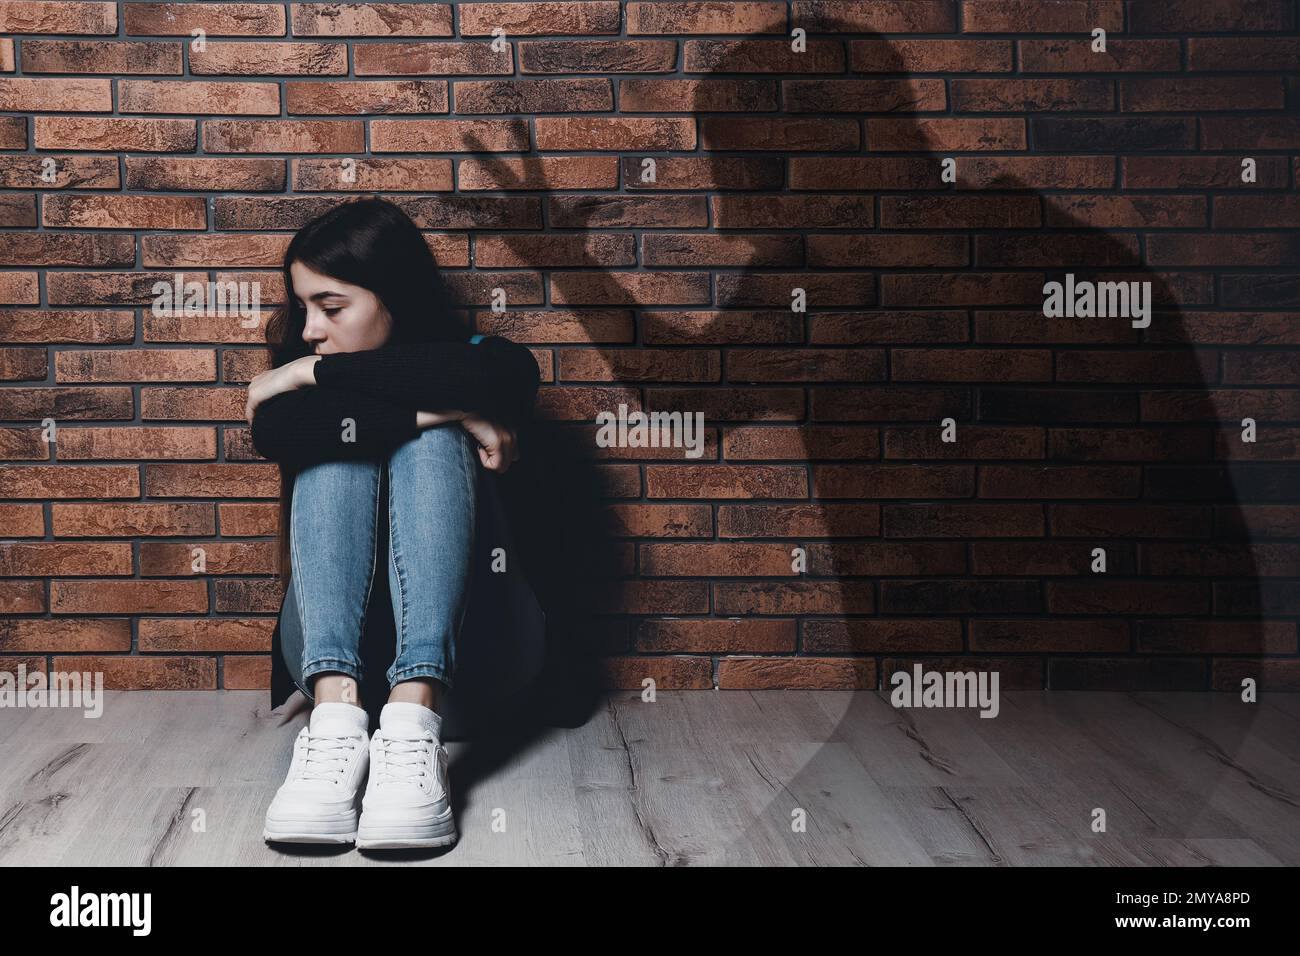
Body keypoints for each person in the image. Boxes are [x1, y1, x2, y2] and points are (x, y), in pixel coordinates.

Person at [247, 197, 540, 849]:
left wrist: (314, 373)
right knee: (337, 435)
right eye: (303, 311)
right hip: (328, 675)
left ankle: (413, 721)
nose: (312, 331)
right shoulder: (308, 387)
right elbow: (274, 426)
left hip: (474, 671)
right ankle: (334, 728)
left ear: (392, 297)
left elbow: (510, 373)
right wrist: (455, 412)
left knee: (421, 444)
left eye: (331, 307)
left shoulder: (467, 358)